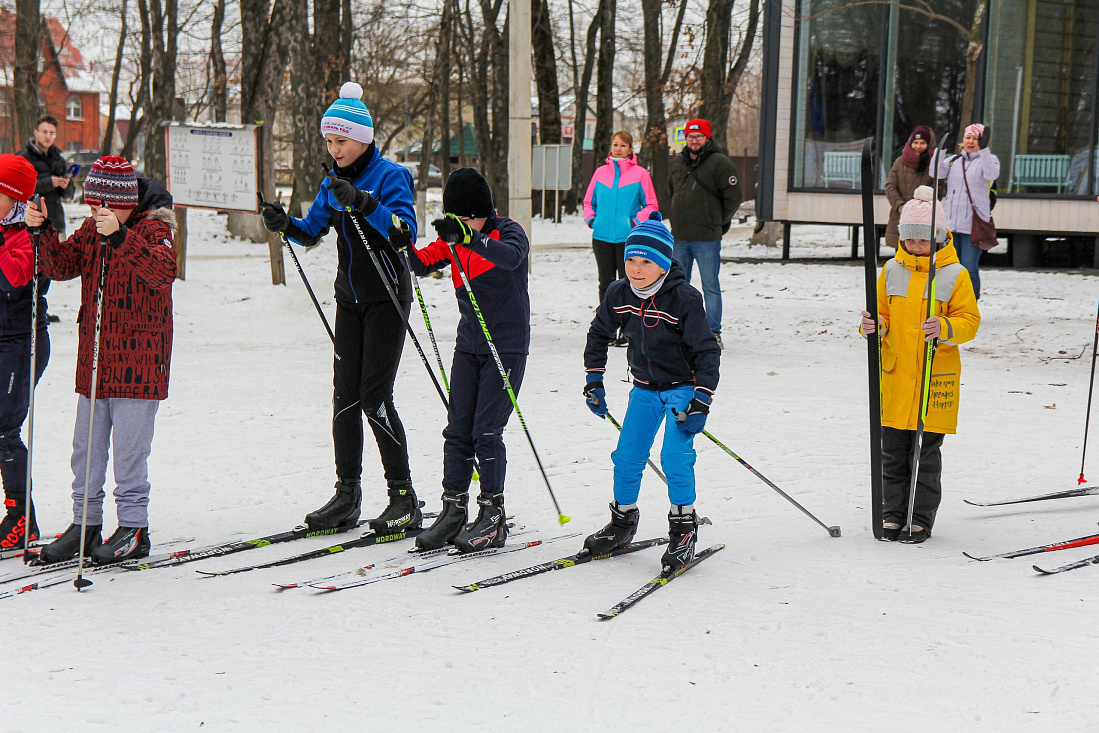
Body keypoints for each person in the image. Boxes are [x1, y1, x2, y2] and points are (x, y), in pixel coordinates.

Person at [261, 81, 422, 535]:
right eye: (329, 142)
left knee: (375, 397)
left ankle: (403, 496)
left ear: (363, 138)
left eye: (341, 141)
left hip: (388, 299)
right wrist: (284, 224)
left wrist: (364, 202)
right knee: (344, 398)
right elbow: (313, 231)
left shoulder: (390, 176)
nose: (334, 149)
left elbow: (402, 231)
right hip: (349, 301)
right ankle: (347, 494)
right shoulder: (332, 180)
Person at [26, 156, 177, 564]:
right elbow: (59, 265)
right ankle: (85, 523)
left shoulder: (154, 229)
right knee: (85, 449)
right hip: (95, 361)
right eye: (92, 206)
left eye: (101, 207)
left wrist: (121, 239)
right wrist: (41, 231)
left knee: (129, 451)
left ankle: (133, 527)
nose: (95, 214)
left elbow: (164, 272)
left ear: (123, 203)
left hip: (139, 363)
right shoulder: (93, 229)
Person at [400, 168, 530, 552]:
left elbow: (511, 258)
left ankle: (492, 516)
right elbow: (421, 264)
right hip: (469, 345)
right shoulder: (454, 240)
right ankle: (453, 510)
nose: (461, 225)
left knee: (486, 431)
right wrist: (402, 245)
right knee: (458, 431)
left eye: (468, 218)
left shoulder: (508, 232)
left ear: (484, 212)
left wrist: (472, 239)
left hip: (505, 345)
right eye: (456, 219)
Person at [582, 212, 721, 570]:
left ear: (662, 264)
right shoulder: (619, 293)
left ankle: (683, 529)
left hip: (681, 387)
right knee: (627, 456)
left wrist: (701, 399)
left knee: (675, 457)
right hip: (644, 387)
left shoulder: (684, 298)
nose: (636, 268)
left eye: (646, 261)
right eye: (630, 259)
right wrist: (594, 381)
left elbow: (706, 351)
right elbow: (598, 334)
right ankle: (622, 521)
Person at [860, 186, 980, 543]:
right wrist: (872, 326)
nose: (915, 246)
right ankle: (892, 514)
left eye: (923, 240)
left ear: (940, 237)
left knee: (925, 457)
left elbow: (969, 321)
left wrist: (945, 327)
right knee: (892, 454)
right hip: (896, 380)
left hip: (933, 380)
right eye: (909, 240)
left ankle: (920, 517)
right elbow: (880, 314)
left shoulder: (955, 274)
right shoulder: (891, 271)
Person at [0, 154, 50, 550]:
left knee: (4, 429)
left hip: (21, 343)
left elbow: (13, 279)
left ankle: (22, 521)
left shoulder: (30, 233)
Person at [668, 118, 742, 350]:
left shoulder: (720, 163)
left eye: (699, 136)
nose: (694, 140)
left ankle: (713, 332)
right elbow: (671, 191)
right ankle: (678, 329)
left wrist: (718, 221)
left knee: (710, 285)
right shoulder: (677, 163)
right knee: (678, 285)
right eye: (690, 136)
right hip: (679, 236)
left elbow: (734, 196)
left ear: (707, 138)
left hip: (707, 239)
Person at [583, 130, 658, 342]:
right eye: (615, 144)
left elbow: (651, 205)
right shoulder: (600, 173)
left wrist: (635, 222)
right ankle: (606, 328)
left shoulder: (641, 174)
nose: (618, 149)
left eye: (623, 145)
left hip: (628, 239)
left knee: (628, 283)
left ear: (630, 149)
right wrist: (592, 220)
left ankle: (628, 330)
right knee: (605, 283)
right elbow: (589, 202)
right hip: (602, 237)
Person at [933, 123, 999, 299]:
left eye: (976, 138)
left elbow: (991, 174)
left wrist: (984, 150)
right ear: (963, 140)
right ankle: (951, 302)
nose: (971, 142)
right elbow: (935, 172)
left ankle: (970, 303)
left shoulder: (990, 159)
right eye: (968, 137)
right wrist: (939, 149)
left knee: (969, 268)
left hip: (973, 226)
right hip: (951, 225)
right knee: (950, 268)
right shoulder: (954, 161)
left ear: (982, 141)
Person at [18, 115, 75, 236]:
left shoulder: (59, 159)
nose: (48, 136)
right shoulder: (23, 158)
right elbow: (20, 188)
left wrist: (66, 185)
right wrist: (50, 182)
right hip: (30, 225)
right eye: (44, 132)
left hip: (57, 225)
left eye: (52, 133)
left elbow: (69, 195)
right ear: (36, 133)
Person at [885, 126, 937, 249]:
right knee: (900, 260)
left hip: (923, 218)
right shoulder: (899, 162)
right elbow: (890, 186)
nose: (918, 146)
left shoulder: (934, 164)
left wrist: (919, 208)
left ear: (929, 144)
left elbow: (936, 191)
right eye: (915, 142)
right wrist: (900, 206)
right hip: (899, 216)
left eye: (922, 143)